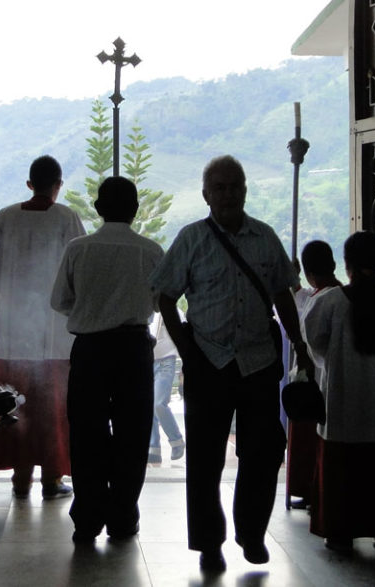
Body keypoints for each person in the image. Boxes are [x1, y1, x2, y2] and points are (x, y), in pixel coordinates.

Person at [150, 155, 311, 573]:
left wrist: (299, 343)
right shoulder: (191, 240)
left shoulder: (265, 238)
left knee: (265, 449)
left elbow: (282, 296)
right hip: (209, 364)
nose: (228, 194)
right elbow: (165, 296)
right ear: (206, 195)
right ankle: (208, 542)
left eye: (235, 186)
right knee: (205, 459)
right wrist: (188, 352)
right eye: (219, 187)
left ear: (245, 190)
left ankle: (252, 532)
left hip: (258, 362)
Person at [51, 176, 164, 542]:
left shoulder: (78, 249)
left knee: (86, 433)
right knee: (132, 434)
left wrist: (90, 311)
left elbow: (60, 301)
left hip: (90, 350)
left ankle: (87, 518)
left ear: (98, 210)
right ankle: (122, 516)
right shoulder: (150, 251)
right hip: (133, 350)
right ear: (135, 210)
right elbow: (162, 301)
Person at [304, 231, 375, 555]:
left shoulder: (328, 303)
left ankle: (339, 531)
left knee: (343, 465)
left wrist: (336, 362)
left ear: (347, 264)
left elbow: (315, 343)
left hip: (341, 396)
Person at [0, 155, 85, 499]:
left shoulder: (6, 217)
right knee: (52, 410)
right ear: (58, 185)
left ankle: (20, 478)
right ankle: (52, 480)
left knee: (15, 407)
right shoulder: (67, 218)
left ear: (29, 184)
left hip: (13, 336)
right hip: (55, 336)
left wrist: (5, 295)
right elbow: (78, 268)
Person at [285, 241, 342, 509]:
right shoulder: (334, 293)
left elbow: (308, 334)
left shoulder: (325, 298)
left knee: (313, 437)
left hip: (317, 376)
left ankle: (312, 490)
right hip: (324, 376)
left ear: (309, 272)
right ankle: (312, 490)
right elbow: (302, 299)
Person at [148, 311, 185, 464]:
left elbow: (182, 331)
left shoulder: (169, 307)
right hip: (146, 360)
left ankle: (176, 441)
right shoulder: (142, 305)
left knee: (158, 403)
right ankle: (153, 448)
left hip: (166, 361)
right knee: (149, 406)